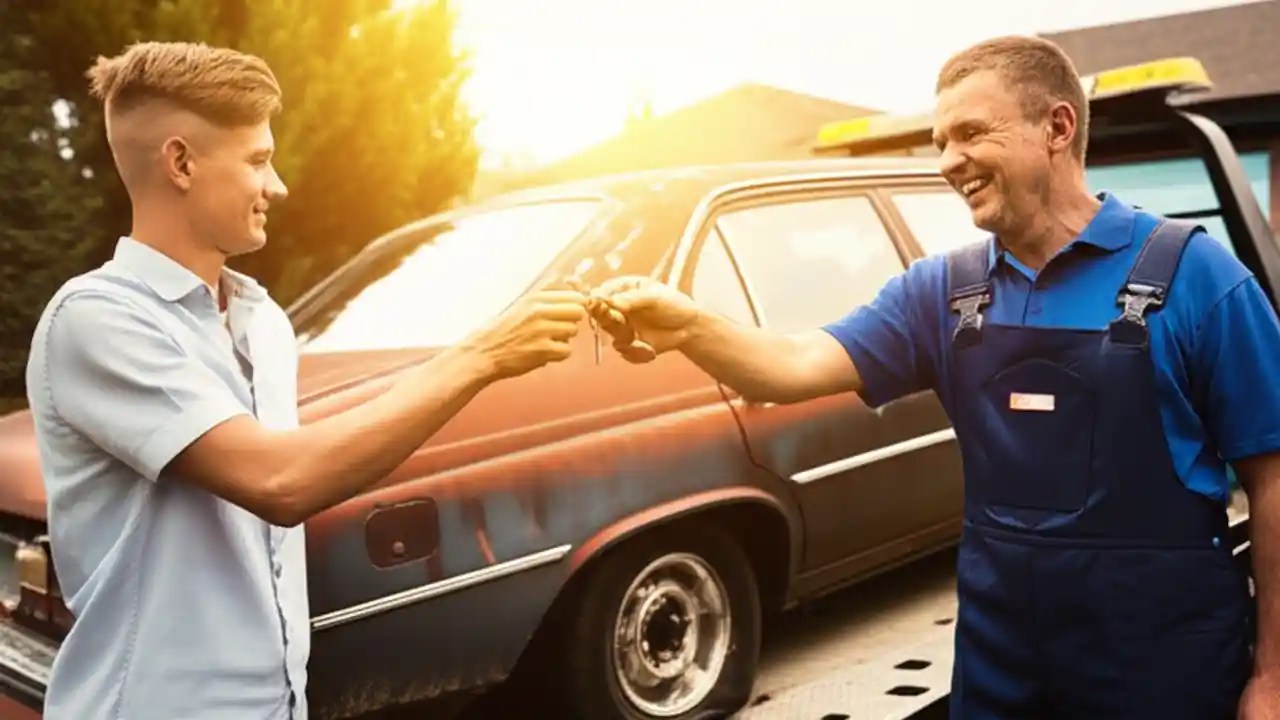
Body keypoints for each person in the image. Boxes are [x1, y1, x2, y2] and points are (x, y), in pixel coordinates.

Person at [590, 35, 1280, 719]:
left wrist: (1272, 677)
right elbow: (794, 364)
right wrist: (688, 328)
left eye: (971, 133)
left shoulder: (1197, 277)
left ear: (1057, 128)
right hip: (1003, 669)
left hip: (1162, 672)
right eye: (941, 140)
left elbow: (1273, 481)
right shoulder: (945, 292)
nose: (949, 161)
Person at [24, 41, 589, 719]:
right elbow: (283, 482)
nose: (278, 185)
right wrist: (482, 356)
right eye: (258, 160)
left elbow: (300, 483)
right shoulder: (97, 321)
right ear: (180, 162)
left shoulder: (263, 322)